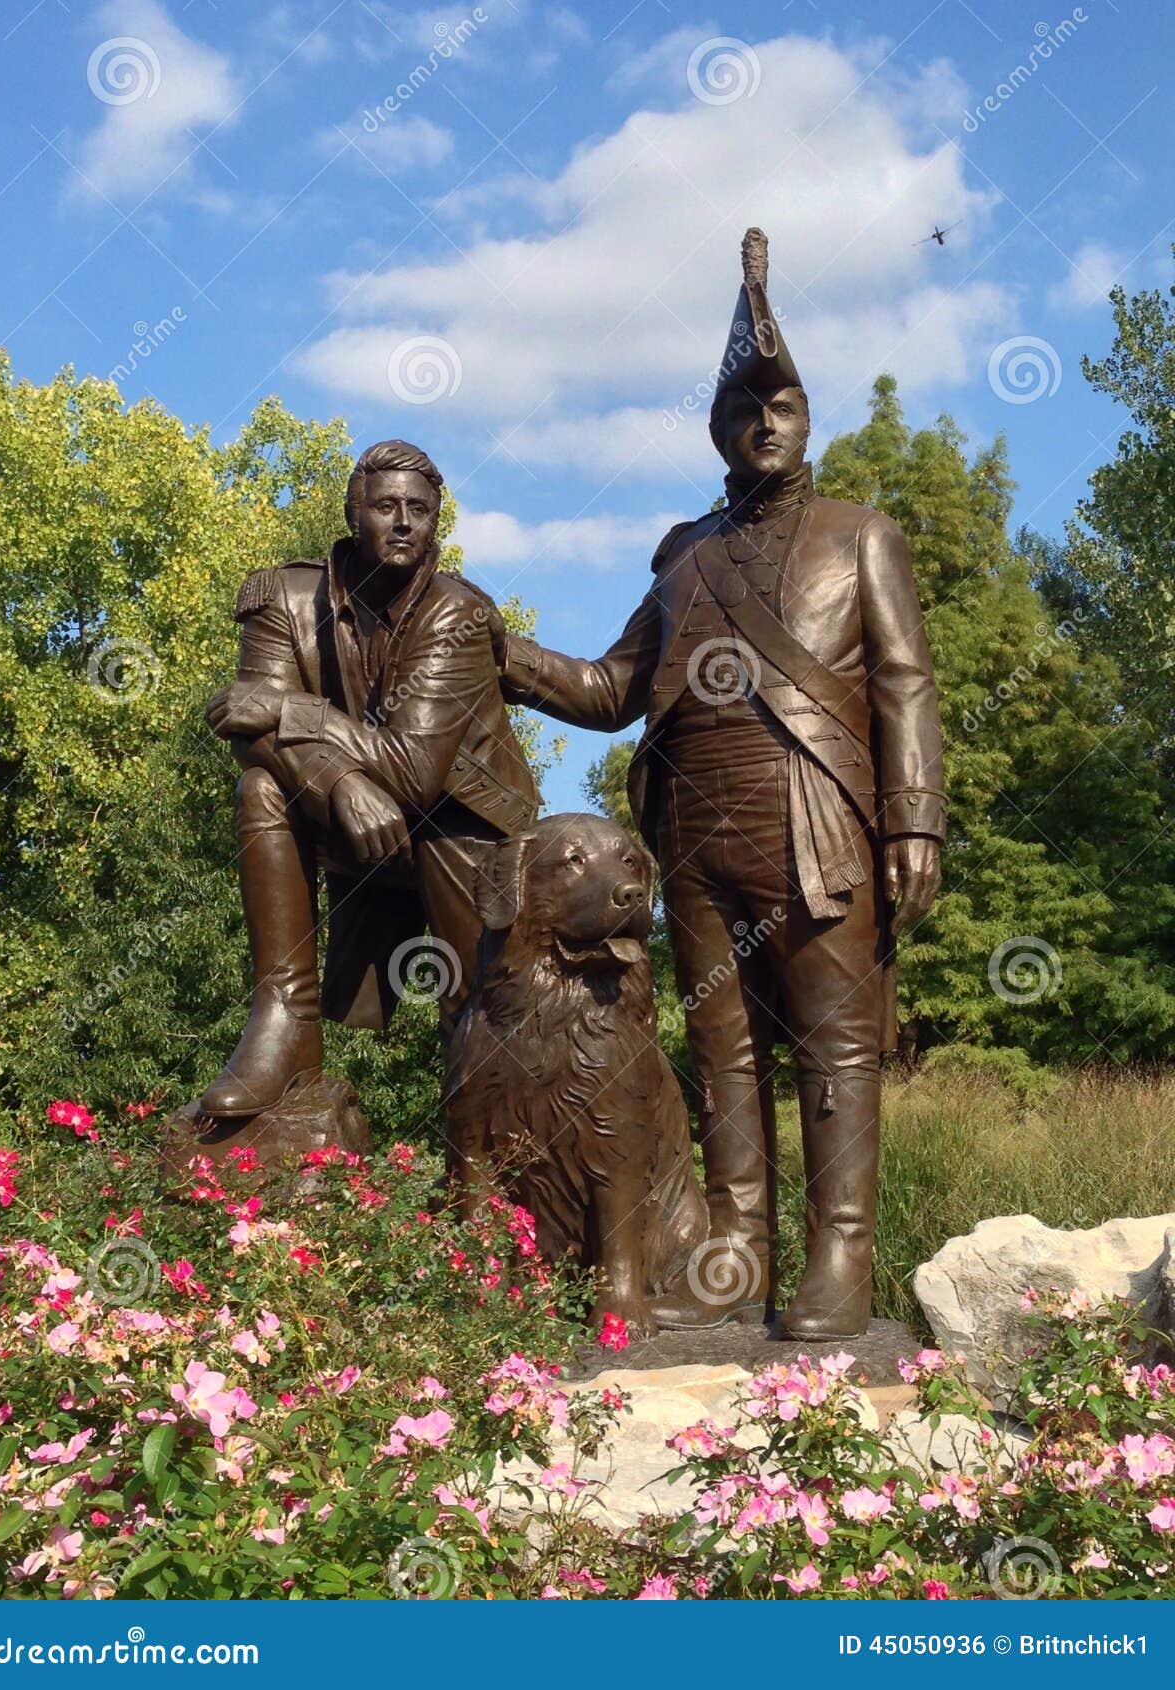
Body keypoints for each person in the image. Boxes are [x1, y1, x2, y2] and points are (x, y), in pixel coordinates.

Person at [496, 230, 945, 1339]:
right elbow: (610, 688)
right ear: (718, 427)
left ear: (806, 418)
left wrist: (917, 821)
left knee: (836, 1050)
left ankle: (839, 1251)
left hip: (821, 825)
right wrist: (494, 645)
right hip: (693, 835)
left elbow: (905, 683)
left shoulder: (862, 538)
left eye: (782, 403)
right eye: (744, 407)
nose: (765, 422)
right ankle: (738, 1244)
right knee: (721, 1048)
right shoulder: (683, 557)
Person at [202, 439, 537, 1125]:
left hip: (463, 826)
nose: (405, 522)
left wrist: (296, 711)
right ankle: (284, 1022)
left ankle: (502, 1184)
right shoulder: (282, 596)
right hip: (359, 825)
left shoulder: (455, 612)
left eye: (420, 509)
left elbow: (415, 772)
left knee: (483, 1019)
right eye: (387, 506)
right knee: (262, 789)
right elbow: (249, 728)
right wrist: (346, 785)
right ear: (356, 515)